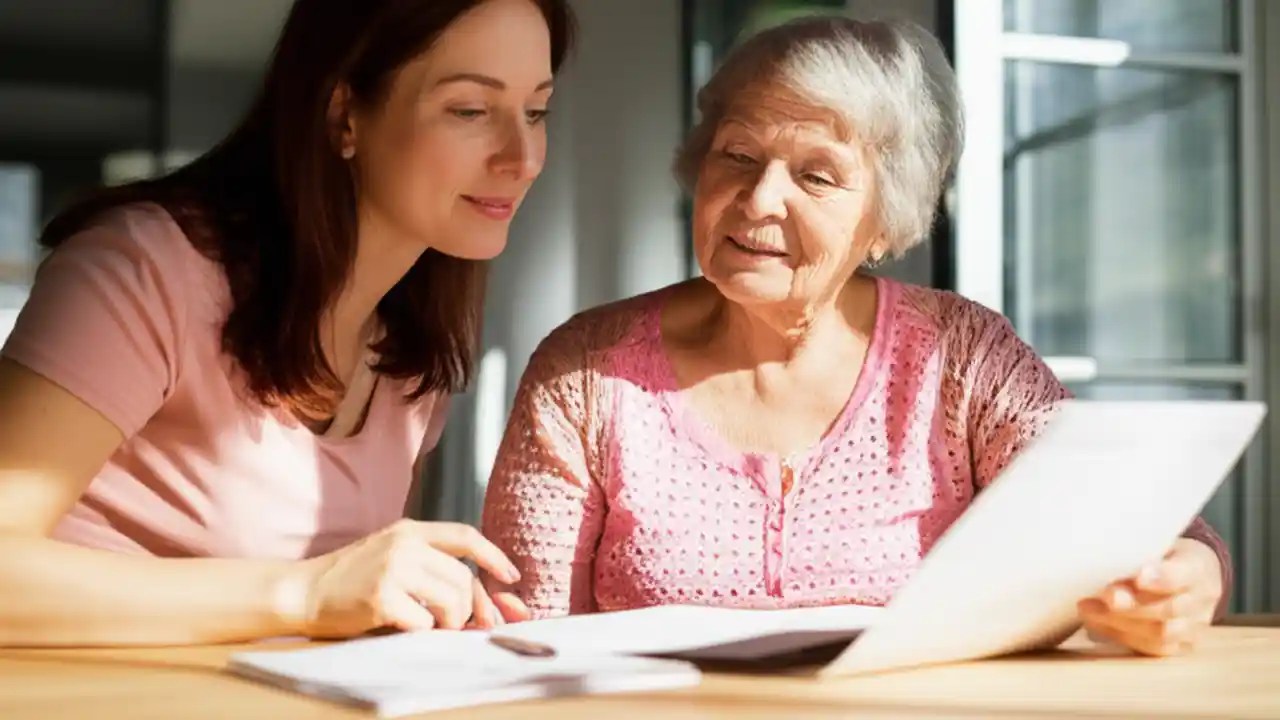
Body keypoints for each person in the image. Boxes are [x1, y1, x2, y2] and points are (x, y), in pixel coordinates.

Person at [482, 16, 1231, 658]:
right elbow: (522, 638)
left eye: (817, 176)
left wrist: (1190, 574)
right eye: (738, 155)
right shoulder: (584, 370)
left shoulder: (961, 358)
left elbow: (1152, 529)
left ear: (885, 221)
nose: (759, 199)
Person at [0, 0, 574, 647]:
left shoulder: (407, 359)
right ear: (344, 113)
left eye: (536, 112)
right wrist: (303, 591)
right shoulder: (145, 268)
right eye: (470, 110)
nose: (522, 157)